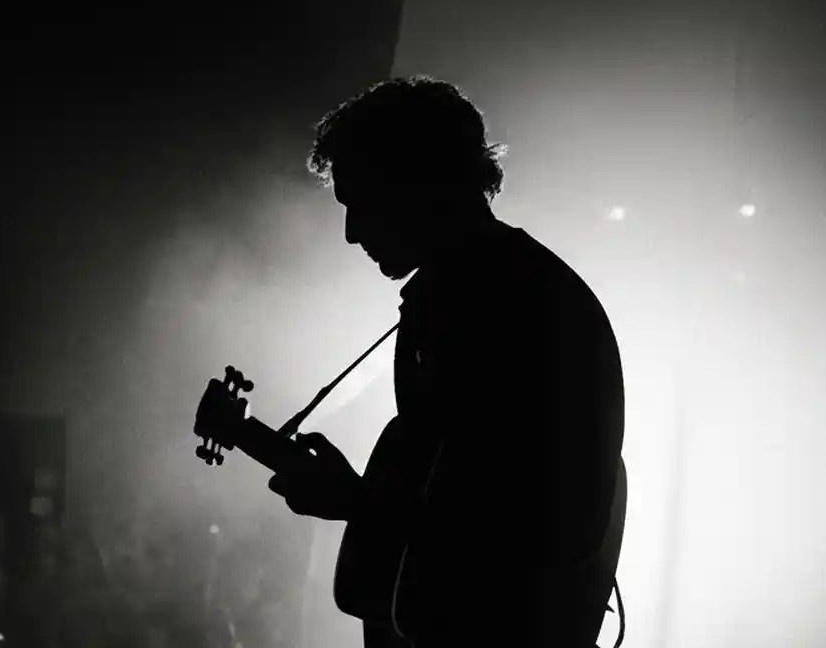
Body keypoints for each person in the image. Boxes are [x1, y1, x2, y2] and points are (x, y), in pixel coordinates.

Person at [266, 76, 625, 646]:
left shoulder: (507, 304)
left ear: (418, 182)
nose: (352, 233)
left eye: (362, 204)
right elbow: (463, 494)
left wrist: (356, 501)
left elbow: (536, 527)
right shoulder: (483, 290)